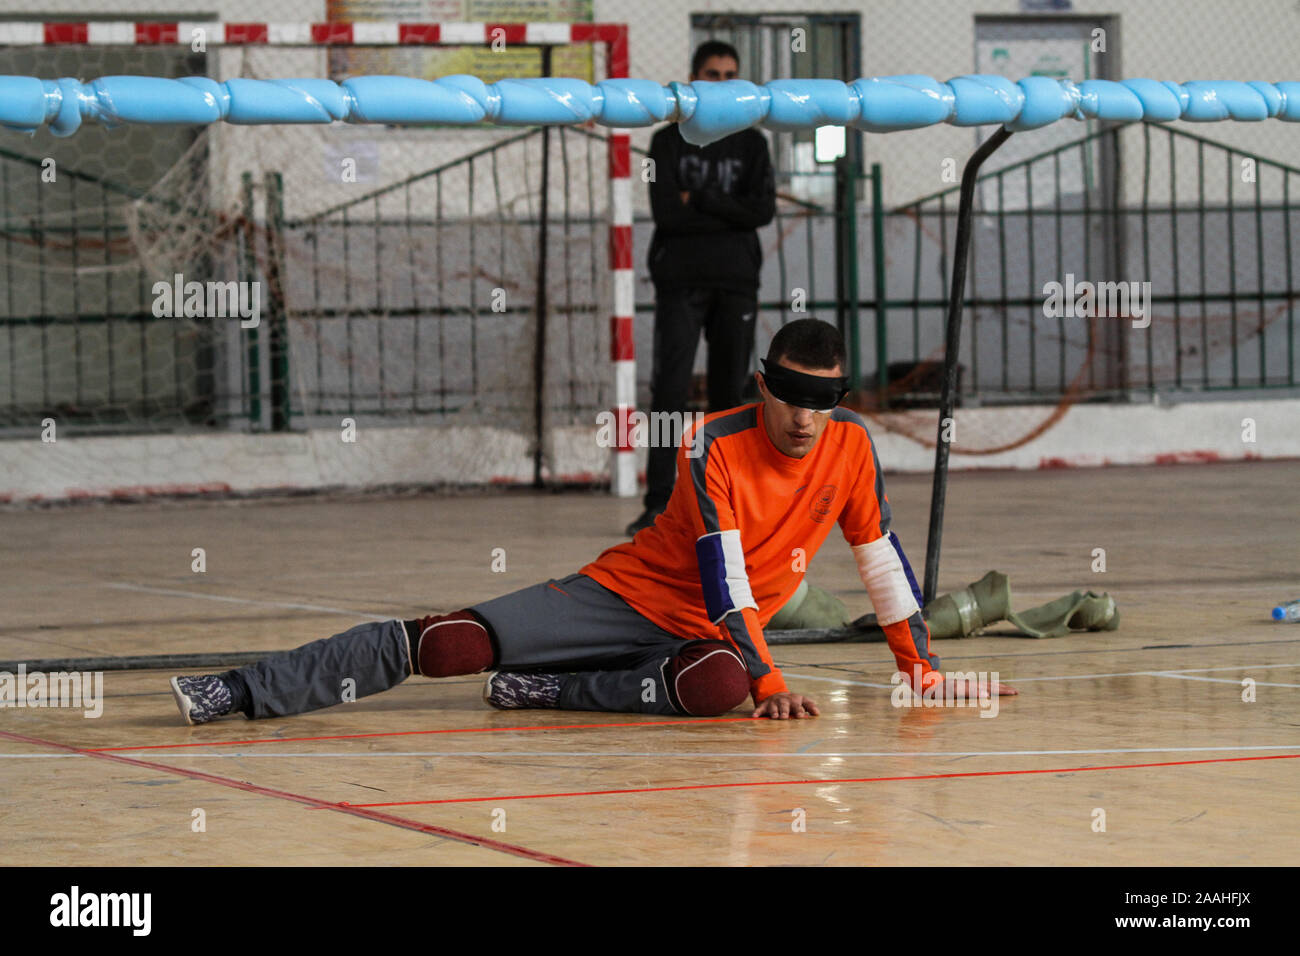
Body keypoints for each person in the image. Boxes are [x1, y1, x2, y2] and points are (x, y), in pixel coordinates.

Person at [171, 320, 1009, 727]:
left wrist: (922, 670)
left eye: (825, 401)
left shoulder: (852, 450)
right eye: (792, 395)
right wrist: (775, 680)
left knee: (716, 688)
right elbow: (726, 579)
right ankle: (248, 688)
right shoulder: (710, 439)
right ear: (761, 384)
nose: (805, 416)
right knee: (450, 644)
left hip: (708, 638)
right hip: (630, 596)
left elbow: (883, 564)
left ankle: (551, 692)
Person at [625, 40, 777, 537]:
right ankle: (659, 502)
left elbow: (762, 212)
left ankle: (724, 502)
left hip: (736, 282)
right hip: (681, 282)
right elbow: (668, 212)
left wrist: (704, 198)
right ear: (694, 80)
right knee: (670, 392)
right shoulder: (668, 142)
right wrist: (725, 209)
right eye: (711, 74)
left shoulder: (753, 143)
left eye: (730, 75)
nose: (721, 82)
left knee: (730, 395)